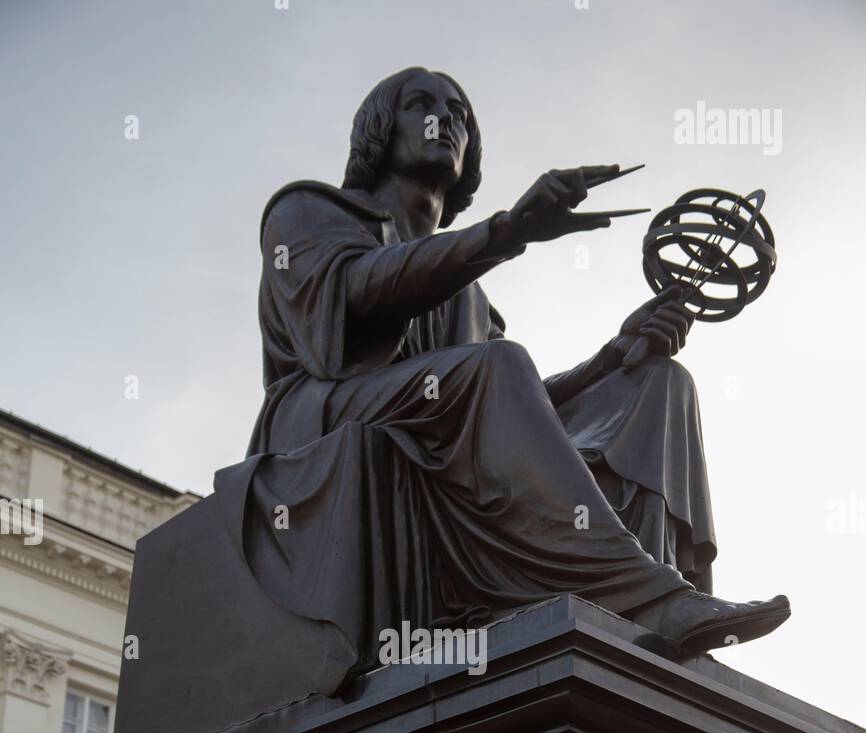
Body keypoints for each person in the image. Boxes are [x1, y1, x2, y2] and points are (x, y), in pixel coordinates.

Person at [215, 66, 789, 689]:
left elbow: (513, 410)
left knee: (658, 381)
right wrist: (507, 232)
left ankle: (646, 623)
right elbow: (354, 296)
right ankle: (648, 595)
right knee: (499, 361)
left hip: (437, 435)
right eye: (420, 104)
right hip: (321, 416)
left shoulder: (470, 295)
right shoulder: (306, 210)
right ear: (379, 131)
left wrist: (611, 355)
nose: (445, 119)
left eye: (458, 112)